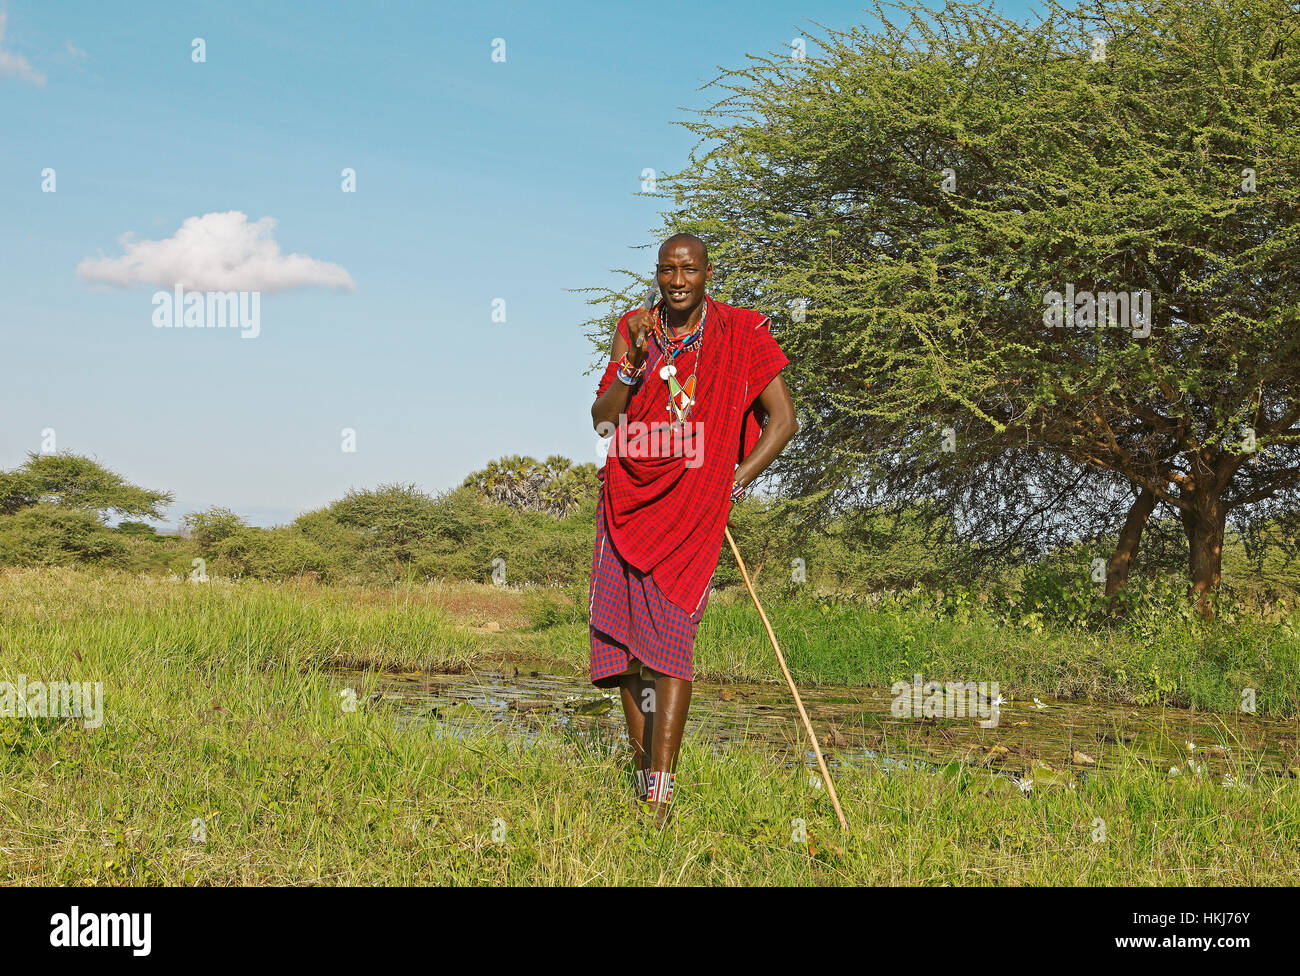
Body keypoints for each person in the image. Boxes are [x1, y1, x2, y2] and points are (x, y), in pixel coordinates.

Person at [588, 232, 798, 827]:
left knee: (670, 647)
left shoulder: (741, 332)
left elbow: (783, 421)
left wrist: (731, 483)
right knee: (628, 651)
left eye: (689, 270)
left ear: (707, 273)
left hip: (693, 506)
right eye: (667, 270)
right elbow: (603, 421)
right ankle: (641, 785)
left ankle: (660, 798)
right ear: (656, 273)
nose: (677, 281)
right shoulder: (634, 328)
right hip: (627, 496)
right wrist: (630, 364)